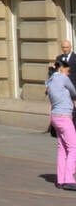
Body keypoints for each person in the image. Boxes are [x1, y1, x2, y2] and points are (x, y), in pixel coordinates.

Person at [45, 57, 76, 191]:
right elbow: (74, 91)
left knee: (62, 148)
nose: (68, 74)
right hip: (64, 116)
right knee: (73, 147)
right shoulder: (62, 78)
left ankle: (61, 179)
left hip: (55, 116)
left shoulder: (49, 80)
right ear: (61, 69)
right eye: (67, 71)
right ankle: (69, 179)